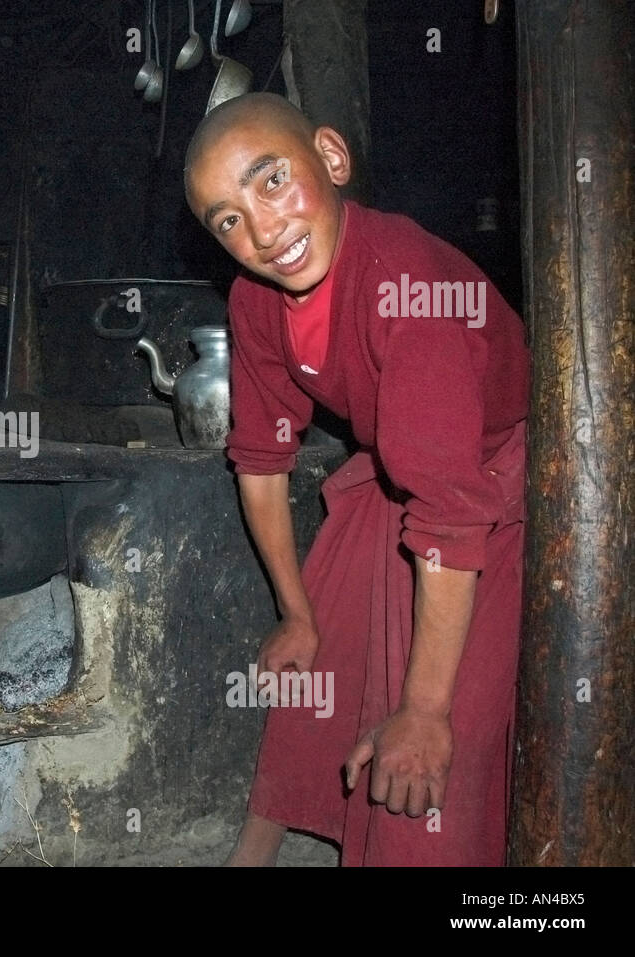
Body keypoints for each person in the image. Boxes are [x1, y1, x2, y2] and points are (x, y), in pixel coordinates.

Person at [184, 93, 530, 866]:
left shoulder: (407, 290)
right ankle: (255, 850)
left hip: (492, 483)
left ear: (331, 159)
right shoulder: (257, 299)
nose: (263, 231)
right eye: (228, 219)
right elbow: (263, 459)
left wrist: (426, 709)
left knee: (426, 749)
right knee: (324, 661)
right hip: (397, 474)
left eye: (271, 181)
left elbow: (449, 511)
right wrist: (296, 612)